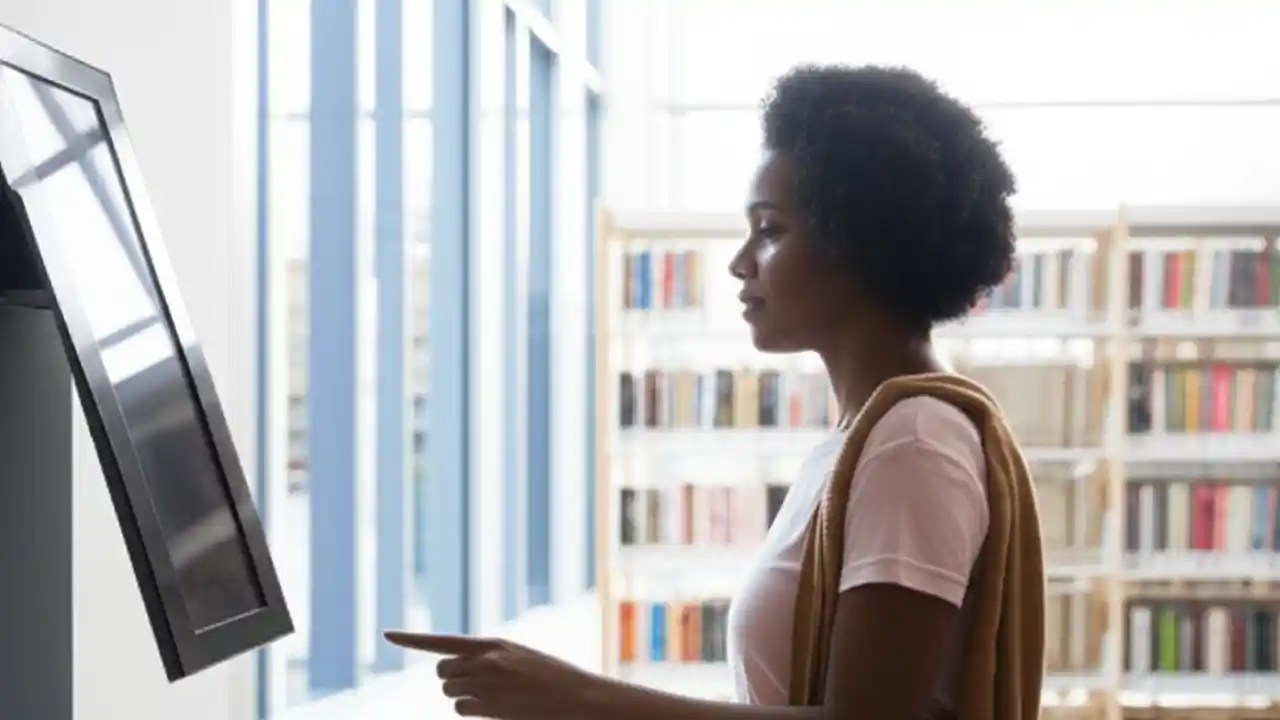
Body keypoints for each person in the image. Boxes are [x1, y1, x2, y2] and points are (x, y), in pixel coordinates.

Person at [387, 64, 1043, 719]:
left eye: (771, 230)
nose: (740, 261)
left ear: (860, 242)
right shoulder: (864, 439)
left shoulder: (917, 441)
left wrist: (577, 697)